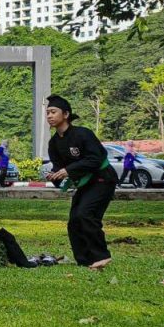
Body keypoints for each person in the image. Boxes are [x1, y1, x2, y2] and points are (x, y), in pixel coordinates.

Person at [44, 95, 116, 270]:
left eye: (53, 112)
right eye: (47, 113)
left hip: (102, 179)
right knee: (74, 221)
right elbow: (59, 167)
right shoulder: (53, 143)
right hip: (84, 184)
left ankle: (102, 256)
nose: (49, 116)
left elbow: (96, 158)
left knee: (86, 214)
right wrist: (54, 175)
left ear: (66, 114)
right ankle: (85, 260)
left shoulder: (83, 134)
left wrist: (69, 170)